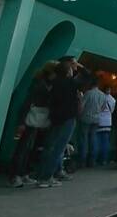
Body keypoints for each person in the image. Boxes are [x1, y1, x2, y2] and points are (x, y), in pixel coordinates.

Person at [35, 58, 86, 188]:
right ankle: (47, 177)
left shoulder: (54, 83)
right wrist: (80, 66)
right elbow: (88, 77)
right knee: (58, 148)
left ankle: (42, 175)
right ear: (68, 71)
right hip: (67, 117)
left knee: (50, 146)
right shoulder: (70, 83)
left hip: (55, 118)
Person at [8, 61, 56, 187]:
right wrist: (21, 121)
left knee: (28, 147)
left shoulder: (43, 83)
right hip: (32, 117)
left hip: (35, 117)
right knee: (23, 146)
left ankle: (22, 173)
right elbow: (28, 102)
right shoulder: (40, 84)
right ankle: (16, 175)